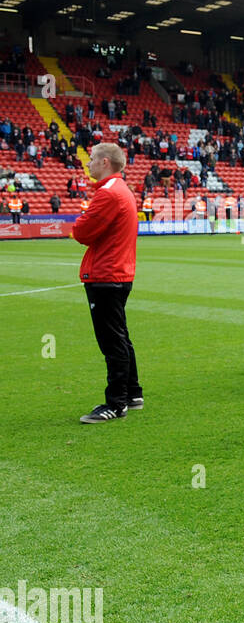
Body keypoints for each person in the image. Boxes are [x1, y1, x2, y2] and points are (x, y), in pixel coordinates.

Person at [70, 143, 143, 423]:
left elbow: (82, 232)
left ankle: (117, 402)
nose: (87, 164)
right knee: (120, 336)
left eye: (91, 160)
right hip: (117, 273)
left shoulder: (109, 193)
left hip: (106, 275)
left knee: (111, 340)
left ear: (104, 162)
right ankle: (132, 393)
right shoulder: (121, 190)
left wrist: (79, 222)